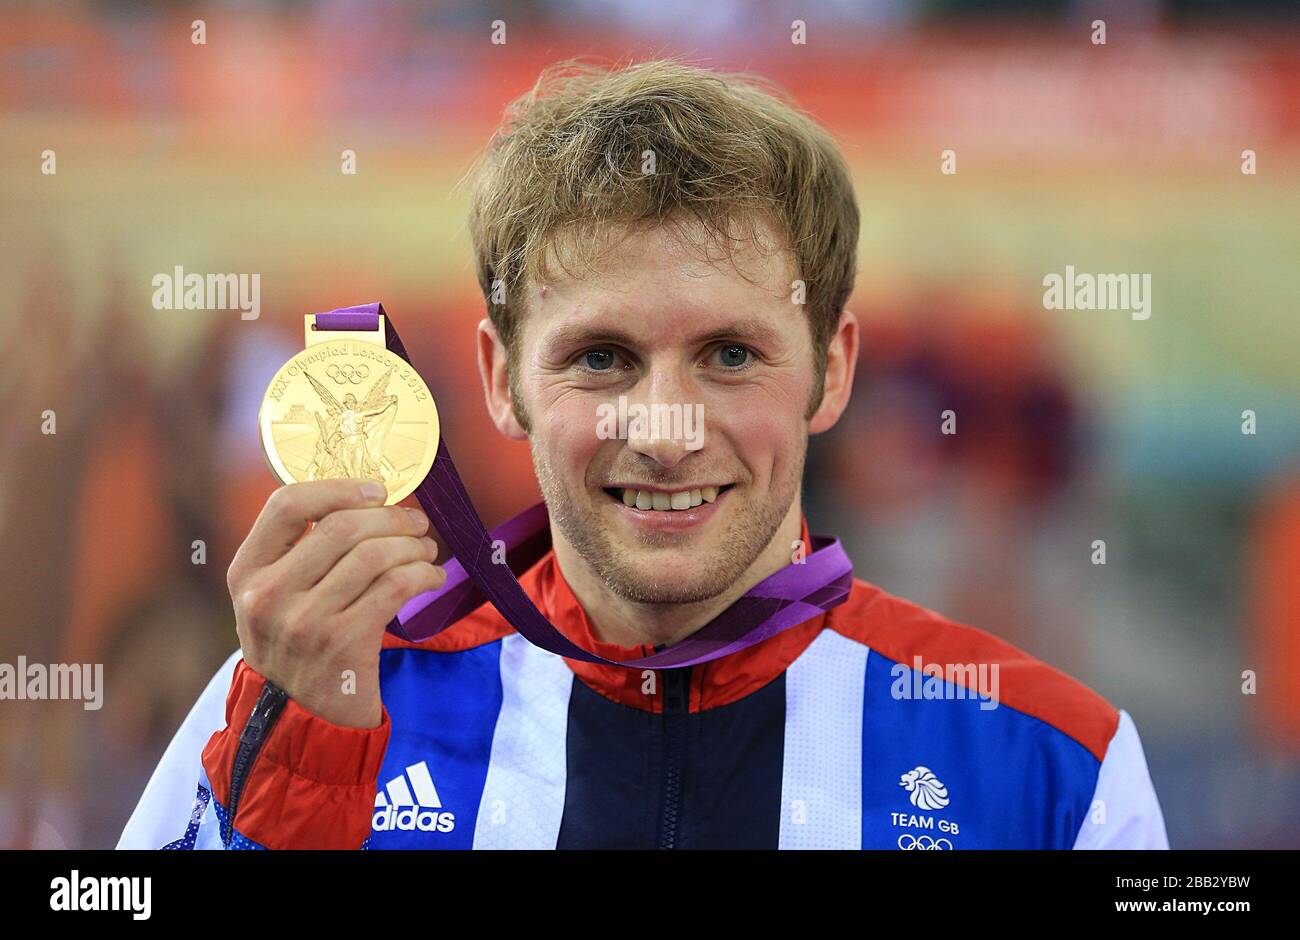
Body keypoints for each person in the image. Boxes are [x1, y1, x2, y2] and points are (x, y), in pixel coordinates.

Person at [118, 59, 1167, 850]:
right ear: (500, 380)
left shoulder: (1054, 767)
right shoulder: (303, 691)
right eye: (604, 357)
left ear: (831, 368)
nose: (665, 431)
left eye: (729, 354)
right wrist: (302, 776)